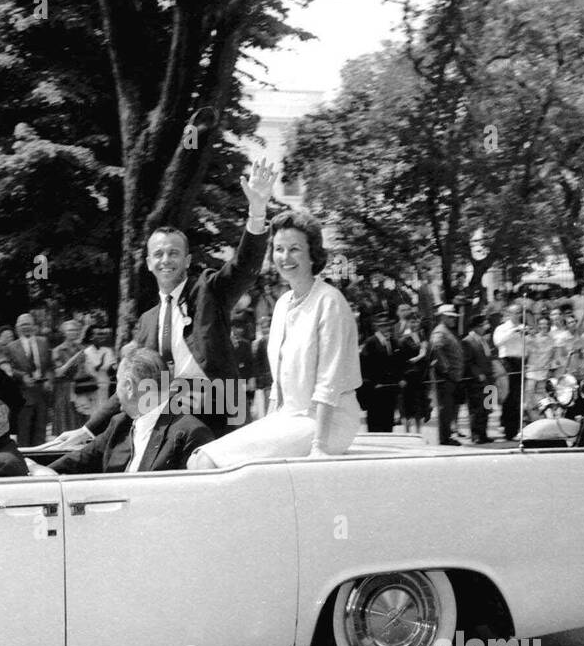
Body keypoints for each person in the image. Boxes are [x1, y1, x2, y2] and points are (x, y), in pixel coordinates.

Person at [48, 158, 276, 448]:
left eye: (173, 253)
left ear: (187, 260)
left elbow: (243, 267)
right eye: (158, 254)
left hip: (218, 412)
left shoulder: (209, 291)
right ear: (148, 263)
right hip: (167, 421)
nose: (165, 260)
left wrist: (257, 211)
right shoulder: (147, 321)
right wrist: (87, 430)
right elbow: (130, 385)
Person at [187, 209, 361, 468]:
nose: (285, 257)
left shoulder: (329, 301)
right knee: (197, 457)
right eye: (279, 249)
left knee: (208, 463)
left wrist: (319, 448)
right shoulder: (281, 305)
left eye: (294, 249)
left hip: (327, 423)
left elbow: (329, 382)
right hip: (288, 419)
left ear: (312, 254)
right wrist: (267, 427)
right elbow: (277, 388)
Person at [50, 349, 213, 474]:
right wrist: (33, 471)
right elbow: (78, 461)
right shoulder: (119, 424)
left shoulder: (191, 433)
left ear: (128, 386)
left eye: (118, 382)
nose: (116, 392)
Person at [0, 313, 53, 446]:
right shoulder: (11, 347)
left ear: (34, 326)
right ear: (17, 328)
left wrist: (49, 380)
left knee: (41, 431)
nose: (26, 327)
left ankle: (41, 461)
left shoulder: (44, 342)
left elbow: (50, 366)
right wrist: (21, 376)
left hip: (42, 394)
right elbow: (6, 367)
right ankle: (25, 462)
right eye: (23, 325)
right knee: (24, 431)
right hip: (23, 394)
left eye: (28, 324)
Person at [359, 312, 401, 433]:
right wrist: (372, 383)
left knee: (388, 419)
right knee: (375, 419)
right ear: (377, 327)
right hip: (375, 388)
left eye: (388, 325)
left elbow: (397, 363)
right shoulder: (370, 343)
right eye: (383, 325)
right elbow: (365, 366)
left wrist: (398, 379)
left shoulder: (393, 342)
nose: (387, 328)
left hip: (390, 386)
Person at [429, 305, 464, 446]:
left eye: (454, 317)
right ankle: (444, 438)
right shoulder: (440, 332)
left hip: (453, 377)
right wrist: (446, 369)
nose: (453, 319)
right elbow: (436, 350)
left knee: (450, 408)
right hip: (445, 378)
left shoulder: (448, 331)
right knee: (445, 409)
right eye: (450, 317)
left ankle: (447, 435)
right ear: (442, 317)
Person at [492, 304, 528, 440]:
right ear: (509, 314)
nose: (518, 315)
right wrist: (513, 332)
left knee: (518, 397)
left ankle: (515, 427)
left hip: (521, 361)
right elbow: (498, 342)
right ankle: (509, 429)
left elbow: (527, 346)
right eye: (515, 313)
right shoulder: (502, 328)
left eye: (520, 312)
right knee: (508, 396)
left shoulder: (523, 327)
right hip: (508, 362)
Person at [51, 319, 89, 435]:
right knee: (65, 421)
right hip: (64, 389)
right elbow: (58, 372)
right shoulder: (57, 350)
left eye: (76, 330)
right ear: (64, 332)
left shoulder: (82, 348)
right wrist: (73, 359)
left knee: (80, 420)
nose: (73, 332)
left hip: (80, 387)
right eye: (70, 330)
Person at [461, 315, 494, 443]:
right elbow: (468, 362)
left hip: (489, 380)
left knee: (487, 408)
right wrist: (478, 374)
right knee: (477, 409)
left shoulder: (484, 340)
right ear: (476, 327)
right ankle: (476, 435)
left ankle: (484, 433)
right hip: (476, 381)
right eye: (483, 325)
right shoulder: (468, 341)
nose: (485, 327)